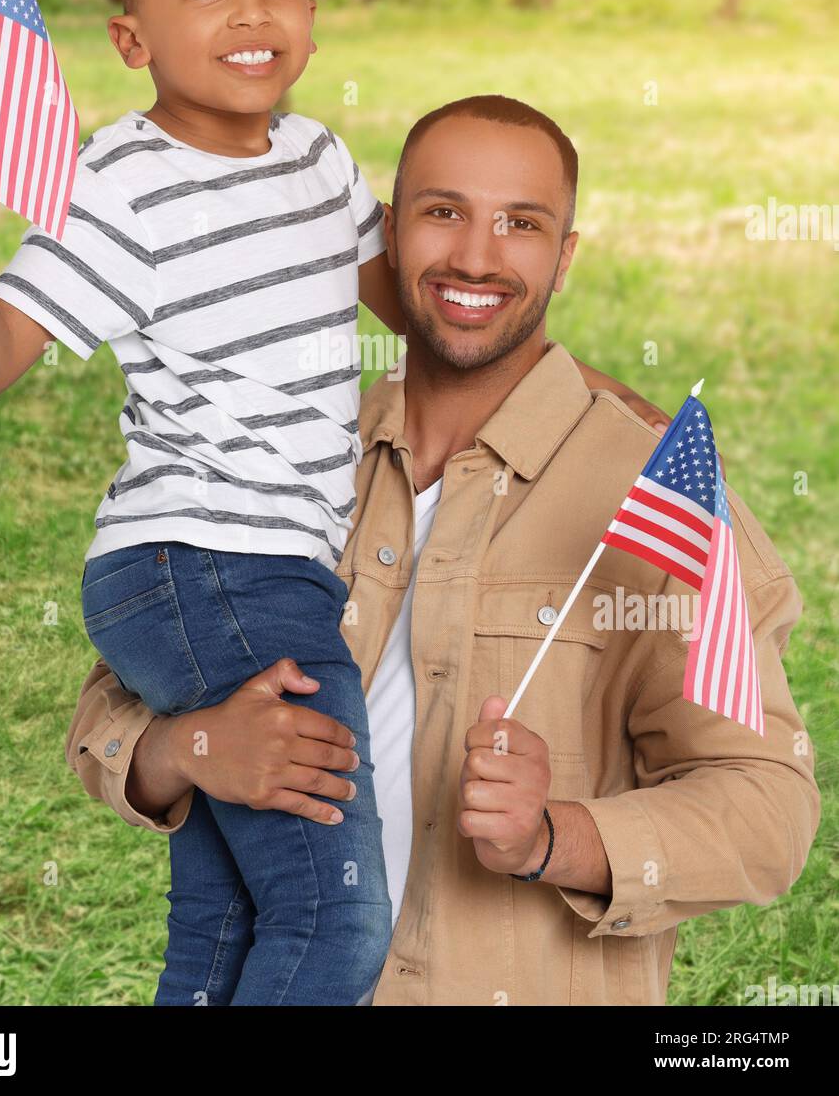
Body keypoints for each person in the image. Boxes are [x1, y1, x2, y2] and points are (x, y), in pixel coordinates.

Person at [0, 0, 663, 1007]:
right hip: (209, 563)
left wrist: (590, 392)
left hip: (269, 569)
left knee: (227, 911)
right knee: (335, 918)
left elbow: (427, 314)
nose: (251, 12)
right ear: (133, 40)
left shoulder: (312, 161)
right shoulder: (125, 182)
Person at [65, 93, 821, 1006]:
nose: (475, 255)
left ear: (566, 255)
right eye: (443, 212)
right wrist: (190, 750)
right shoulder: (290, 452)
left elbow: (768, 810)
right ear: (388, 234)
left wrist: (556, 836)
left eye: (521, 224)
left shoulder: (661, 496)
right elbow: (109, 714)